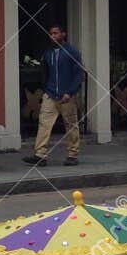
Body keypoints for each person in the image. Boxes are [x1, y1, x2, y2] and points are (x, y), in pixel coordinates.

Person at [24, 24, 84, 167]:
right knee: (44, 123)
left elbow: (78, 74)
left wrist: (70, 92)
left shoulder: (72, 52)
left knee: (71, 124)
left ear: (63, 34)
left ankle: (73, 154)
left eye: (56, 33)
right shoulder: (48, 53)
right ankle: (40, 154)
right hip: (51, 94)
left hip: (67, 95)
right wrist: (46, 89)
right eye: (51, 33)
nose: (53, 36)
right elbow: (44, 72)